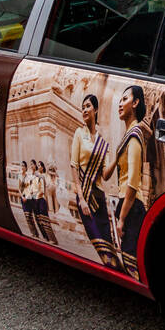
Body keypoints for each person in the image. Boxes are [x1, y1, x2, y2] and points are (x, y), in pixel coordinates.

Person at [70, 93, 119, 269]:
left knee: (108, 242)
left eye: (88, 106)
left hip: (99, 196)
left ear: (95, 110)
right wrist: (81, 199)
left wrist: (117, 157)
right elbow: (74, 166)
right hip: (85, 195)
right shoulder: (78, 133)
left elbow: (105, 175)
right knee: (97, 241)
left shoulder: (101, 142)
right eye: (83, 107)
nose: (84, 109)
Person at [111, 85, 152, 280]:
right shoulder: (127, 137)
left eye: (125, 99)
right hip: (127, 204)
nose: (120, 103)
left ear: (135, 103)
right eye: (120, 99)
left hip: (132, 207)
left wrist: (121, 218)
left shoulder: (135, 137)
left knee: (130, 263)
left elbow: (133, 183)